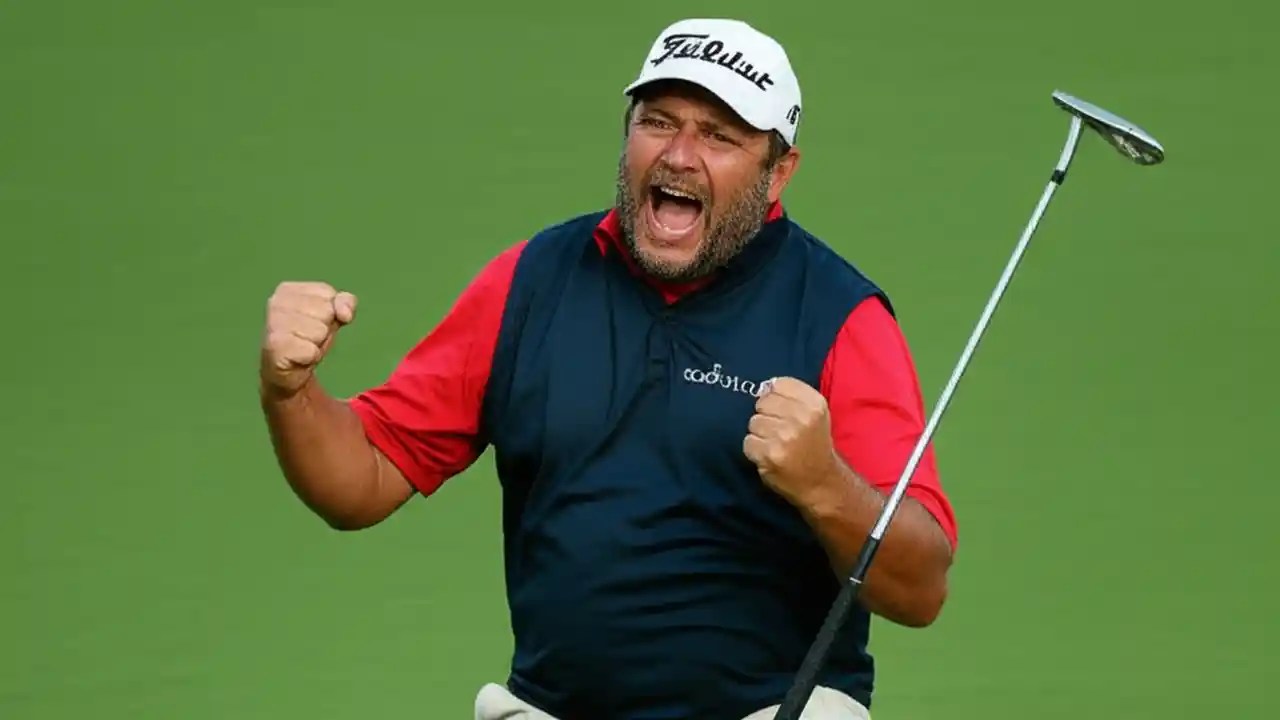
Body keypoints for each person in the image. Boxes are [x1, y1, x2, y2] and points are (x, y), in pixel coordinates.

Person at [258, 17, 958, 720]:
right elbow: (363, 479)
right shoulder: (530, 282)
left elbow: (920, 588)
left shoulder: (841, 317)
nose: (679, 156)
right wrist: (291, 392)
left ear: (778, 172)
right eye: (658, 122)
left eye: (719, 136)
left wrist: (825, 484)